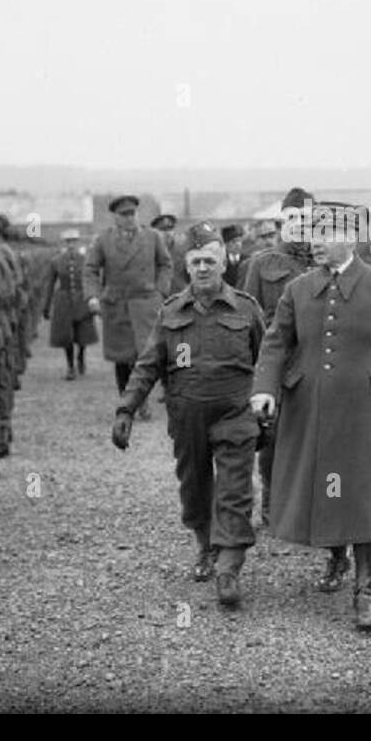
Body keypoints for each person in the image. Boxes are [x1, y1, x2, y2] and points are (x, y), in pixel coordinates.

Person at [251, 202, 371, 631]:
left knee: (364, 494)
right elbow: (276, 344)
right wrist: (264, 390)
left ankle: (366, 590)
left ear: (351, 239)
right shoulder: (297, 289)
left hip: (366, 409)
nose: (315, 242)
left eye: (325, 234)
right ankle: (336, 558)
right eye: (312, 234)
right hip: (310, 408)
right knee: (327, 487)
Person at [111, 222, 265, 606]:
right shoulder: (171, 311)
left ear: (223, 263)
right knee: (194, 488)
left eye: (210, 260)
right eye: (195, 261)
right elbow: (149, 364)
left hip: (235, 413)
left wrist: (272, 404)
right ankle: (205, 546)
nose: (203, 268)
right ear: (186, 265)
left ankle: (228, 567)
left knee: (234, 490)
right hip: (187, 416)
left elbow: (269, 361)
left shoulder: (246, 308)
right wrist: (126, 408)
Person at [241, 187, 314, 525]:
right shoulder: (262, 263)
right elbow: (247, 319)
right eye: (292, 219)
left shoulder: (326, 260)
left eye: (305, 219)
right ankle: (272, 499)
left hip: (316, 362)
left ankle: (313, 501)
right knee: (271, 437)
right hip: (278, 364)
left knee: (315, 435)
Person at [84, 195, 172, 419]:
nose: (130, 218)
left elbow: (165, 264)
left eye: (132, 213)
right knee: (122, 358)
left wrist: (160, 291)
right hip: (117, 306)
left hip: (145, 304)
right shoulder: (103, 240)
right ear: (115, 217)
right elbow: (91, 269)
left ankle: (142, 400)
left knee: (147, 355)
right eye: (124, 215)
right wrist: (92, 296)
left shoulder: (152, 237)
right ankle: (127, 403)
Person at [43, 228, 98, 379]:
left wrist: (93, 298)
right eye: (68, 242)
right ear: (65, 243)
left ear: (77, 242)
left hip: (81, 299)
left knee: (83, 333)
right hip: (64, 301)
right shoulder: (56, 261)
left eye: (73, 241)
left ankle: (81, 356)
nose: (71, 245)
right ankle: (70, 366)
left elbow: (91, 280)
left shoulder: (85, 259)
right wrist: (46, 306)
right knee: (66, 335)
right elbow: (50, 284)